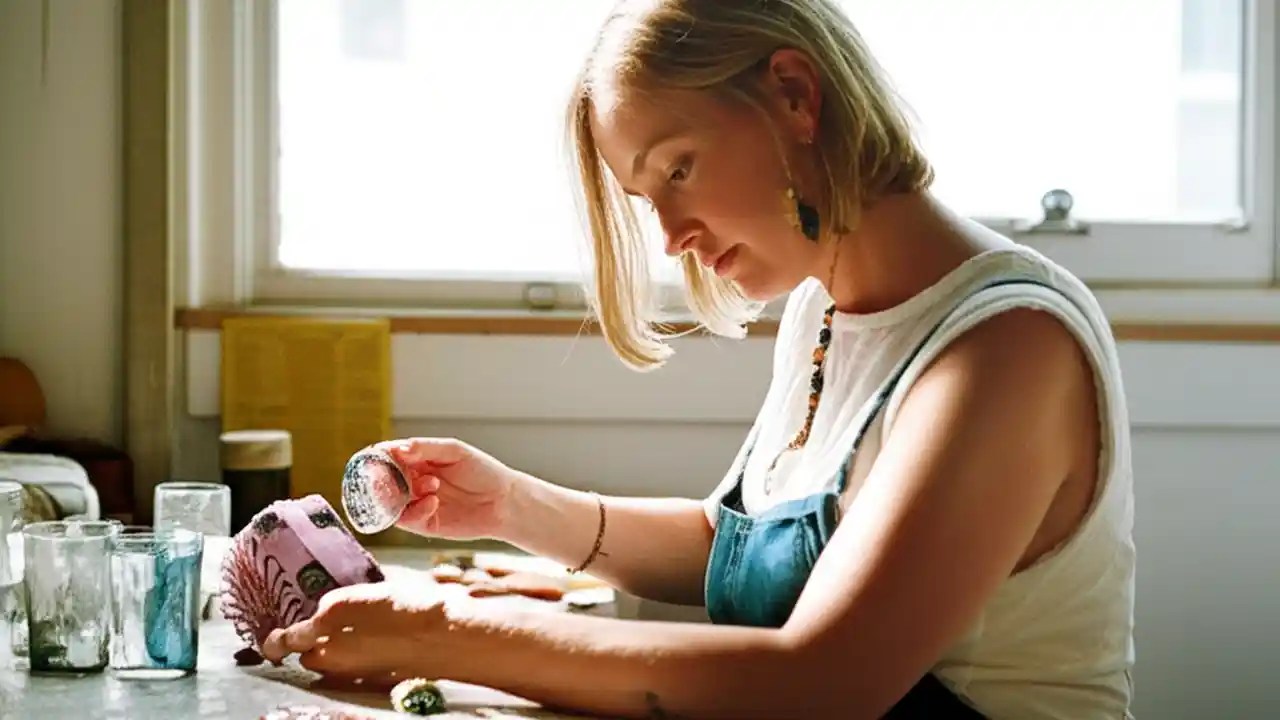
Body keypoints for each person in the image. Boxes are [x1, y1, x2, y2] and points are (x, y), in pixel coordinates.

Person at [262, 1, 1137, 717]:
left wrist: (445, 632)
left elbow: (826, 680)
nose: (674, 238)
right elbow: (743, 547)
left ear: (795, 95)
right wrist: (513, 504)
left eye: (677, 169)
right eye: (648, 201)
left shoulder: (1005, 348)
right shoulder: (823, 306)